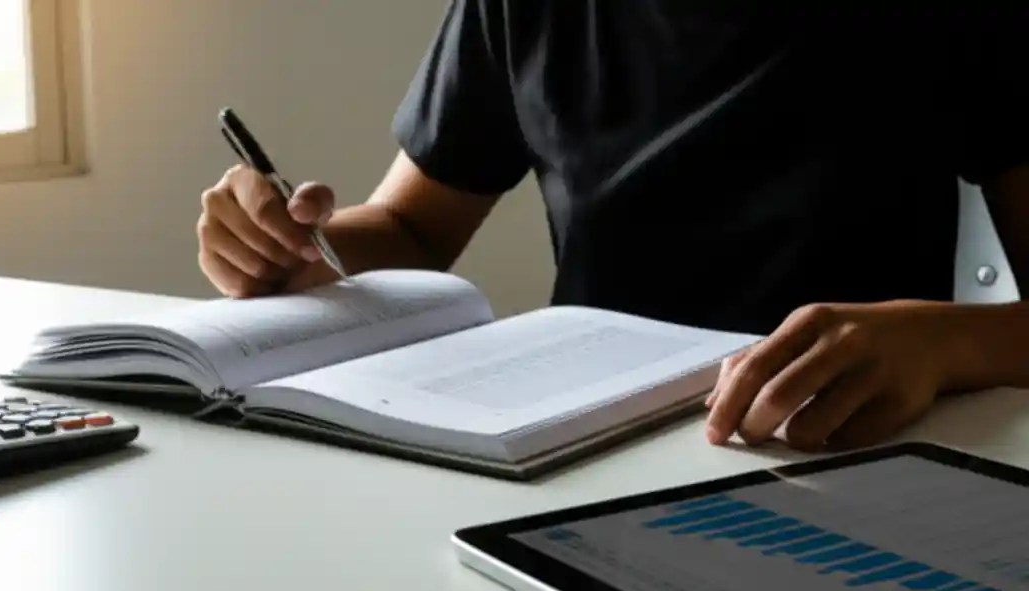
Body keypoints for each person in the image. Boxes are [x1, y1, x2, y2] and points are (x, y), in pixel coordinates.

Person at [195, 1, 1029, 452]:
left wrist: (943, 343)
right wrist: (298, 248)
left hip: (841, 445)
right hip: (583, 450)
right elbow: (413, 230)